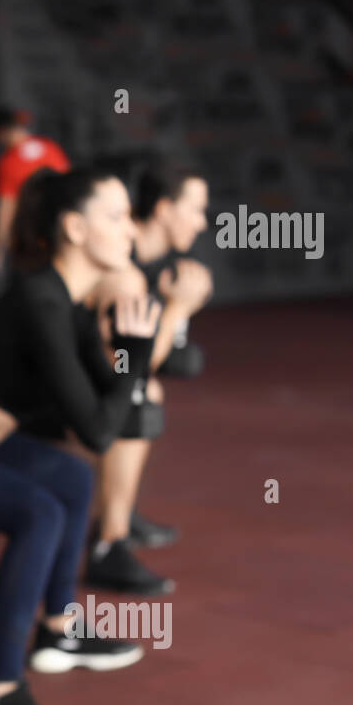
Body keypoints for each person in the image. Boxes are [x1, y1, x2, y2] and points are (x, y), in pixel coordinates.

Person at [0, 167, 159, 705]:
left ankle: (58, 631)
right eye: (115, 215)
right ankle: (0, 700)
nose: (129, 228)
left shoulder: (71, 307)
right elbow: (101, 429)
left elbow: (114, 410)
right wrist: (132, 356)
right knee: (40, 513)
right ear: (74, 228)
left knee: (71, 478)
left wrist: (136, 354)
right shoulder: (40, 302)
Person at [82, 162, 213, 552]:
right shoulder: (124, 266)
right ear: (164, 209)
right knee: (141, 396)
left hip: (80, 368)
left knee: (147, 390)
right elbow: (129, 365)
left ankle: (118, 513)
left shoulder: (151, 260)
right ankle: (110, 539)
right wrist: (178, 309)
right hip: (39, 382)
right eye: (195, 209)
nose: (202, 222)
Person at [0, 106, 71, 278]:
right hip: (62, 234)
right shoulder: (50, 148)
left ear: (0, 132)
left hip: (30, 240)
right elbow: (70, 187)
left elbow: (6, 207)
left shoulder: (8, 163)